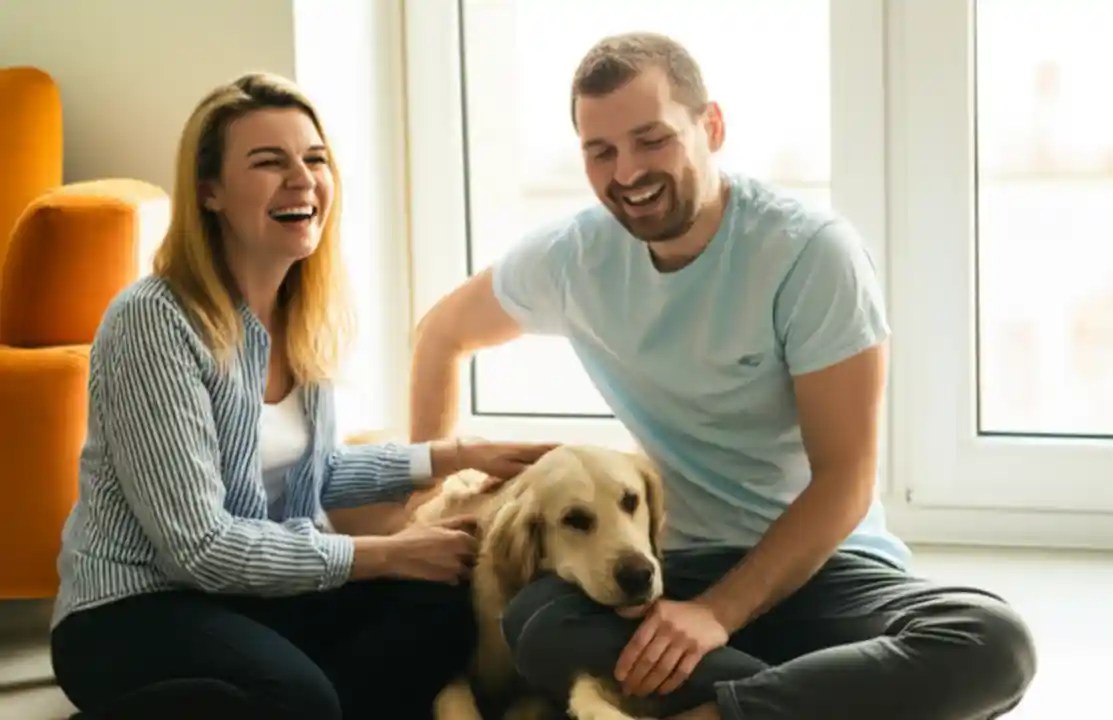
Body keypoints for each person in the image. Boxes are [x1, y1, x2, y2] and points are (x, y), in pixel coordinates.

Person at [409, 32, 1037, 720]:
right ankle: (821, 698)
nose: (628, 172)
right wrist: (426, 504)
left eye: (653, 140)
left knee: (994, 642)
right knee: (535, 621)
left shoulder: (809, 253)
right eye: (601, 151)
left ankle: (719, 708)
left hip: (823, 567)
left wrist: (716, 615)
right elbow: (440, 336)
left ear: (711, 126)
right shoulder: (573, 258)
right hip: (671, 567)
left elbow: (846, 480)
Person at [48, 72, 557, 720]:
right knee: (296, 697)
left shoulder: (304, 315)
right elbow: (201, 547)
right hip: (134, 609)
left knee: (439, 611)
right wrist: (386, 553)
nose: (302, 179)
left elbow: (312, 476)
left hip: (254, 598)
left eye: (315, 160)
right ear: (209, 192)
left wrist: (454, 456)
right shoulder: (153, 322)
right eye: (269, 162)